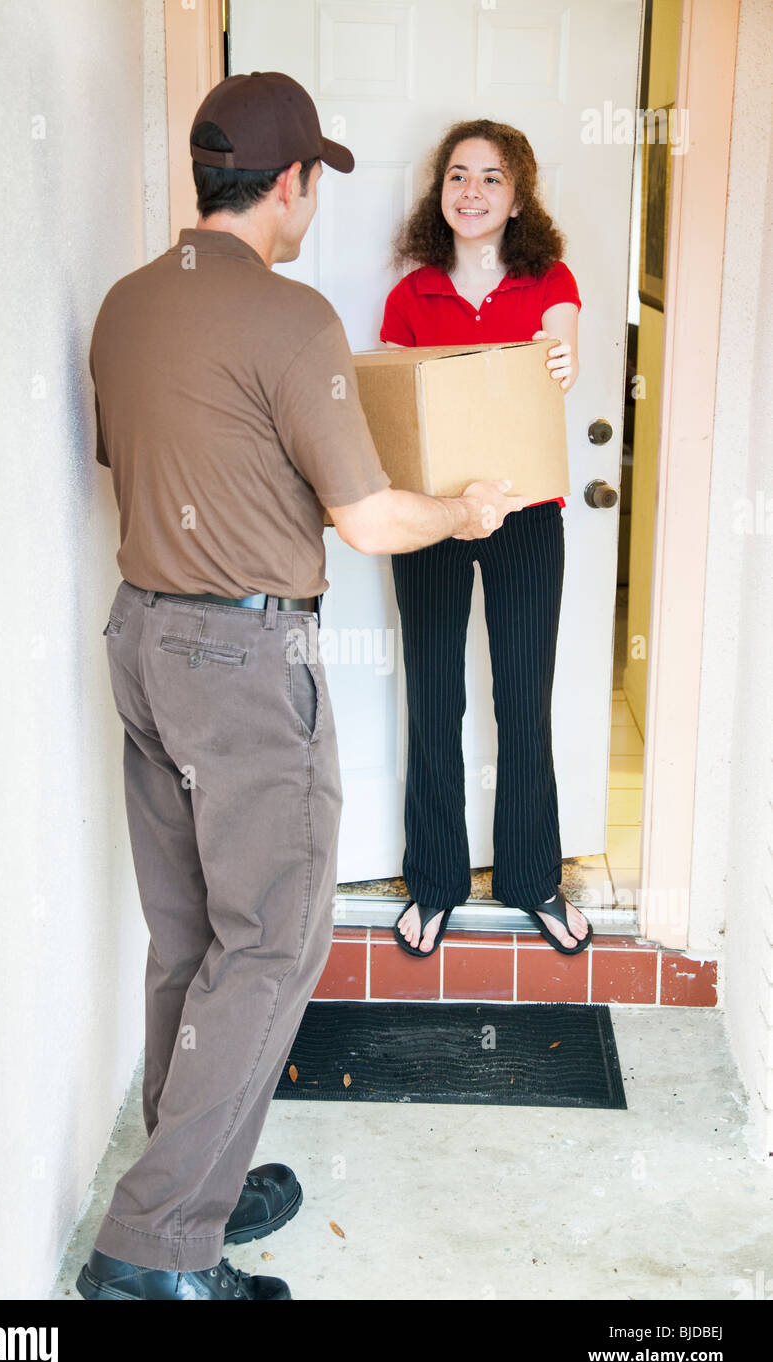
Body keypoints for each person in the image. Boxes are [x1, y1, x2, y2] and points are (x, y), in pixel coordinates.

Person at [78, 74, 527, 1302]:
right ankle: (153, 1249)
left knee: (192, 937)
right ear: (289, 183)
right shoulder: (291, 318)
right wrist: (467, 507)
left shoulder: (124, 305)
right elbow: (370, 519)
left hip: (142, 640)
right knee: (269, 944)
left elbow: (151, 459)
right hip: (240, 660)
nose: (312, 196)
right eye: (312, 177)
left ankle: (197, 1182)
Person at [382, 119, 594, 961]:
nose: (472, 193)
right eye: (458, 177)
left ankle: (531, 877)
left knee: (523, 698)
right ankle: (434, 882)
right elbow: (393, 409)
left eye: (491, 179)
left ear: (517, 197)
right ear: (442, 192)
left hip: (528, 515)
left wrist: (559, 356)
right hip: (432, 518)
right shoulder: (411, 294)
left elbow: (562, 348)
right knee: (434, 700)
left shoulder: (550, 280)